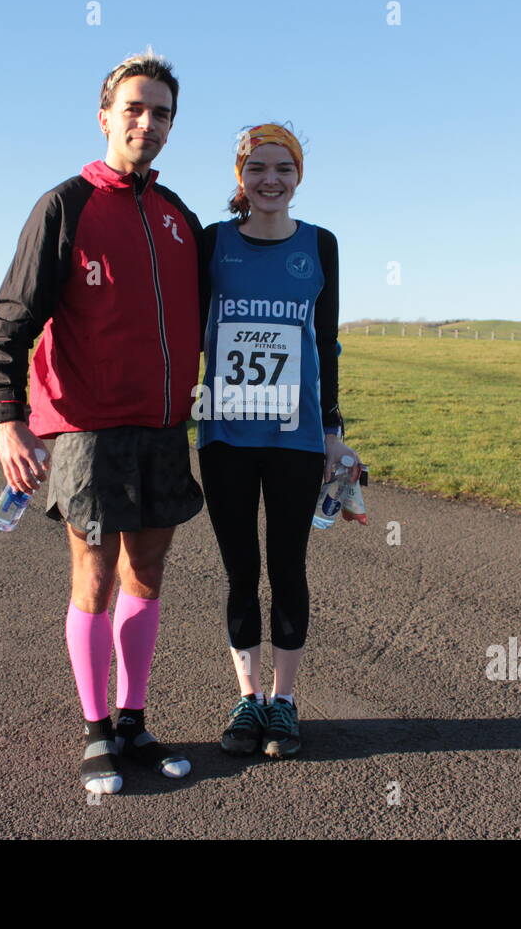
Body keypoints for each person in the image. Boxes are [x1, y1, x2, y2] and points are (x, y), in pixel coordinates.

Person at [0, 49, 205, 795]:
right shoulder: (65, 205)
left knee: (148, 573)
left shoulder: (179, 217)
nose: (148, 123)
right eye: (134, 109)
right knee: (96, 576)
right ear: (105, 116)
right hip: (87, 429)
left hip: (163, 427)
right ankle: (96, 730)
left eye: (162, 113)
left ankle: (134, 722)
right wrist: (9, 417)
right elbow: (10, 318)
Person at [195, 123, 359, 759]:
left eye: (283, 169)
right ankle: (248, 698)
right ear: (241, 177)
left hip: (296, 436)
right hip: (225, 433)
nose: (270, 180)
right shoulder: (213, 243)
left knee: (288, 566)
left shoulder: (321, 244)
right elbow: (185, 329)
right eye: (257, 168)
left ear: (298, 178)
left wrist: (334, 433)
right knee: (241, 570)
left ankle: (284, 701)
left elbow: (327, 339)